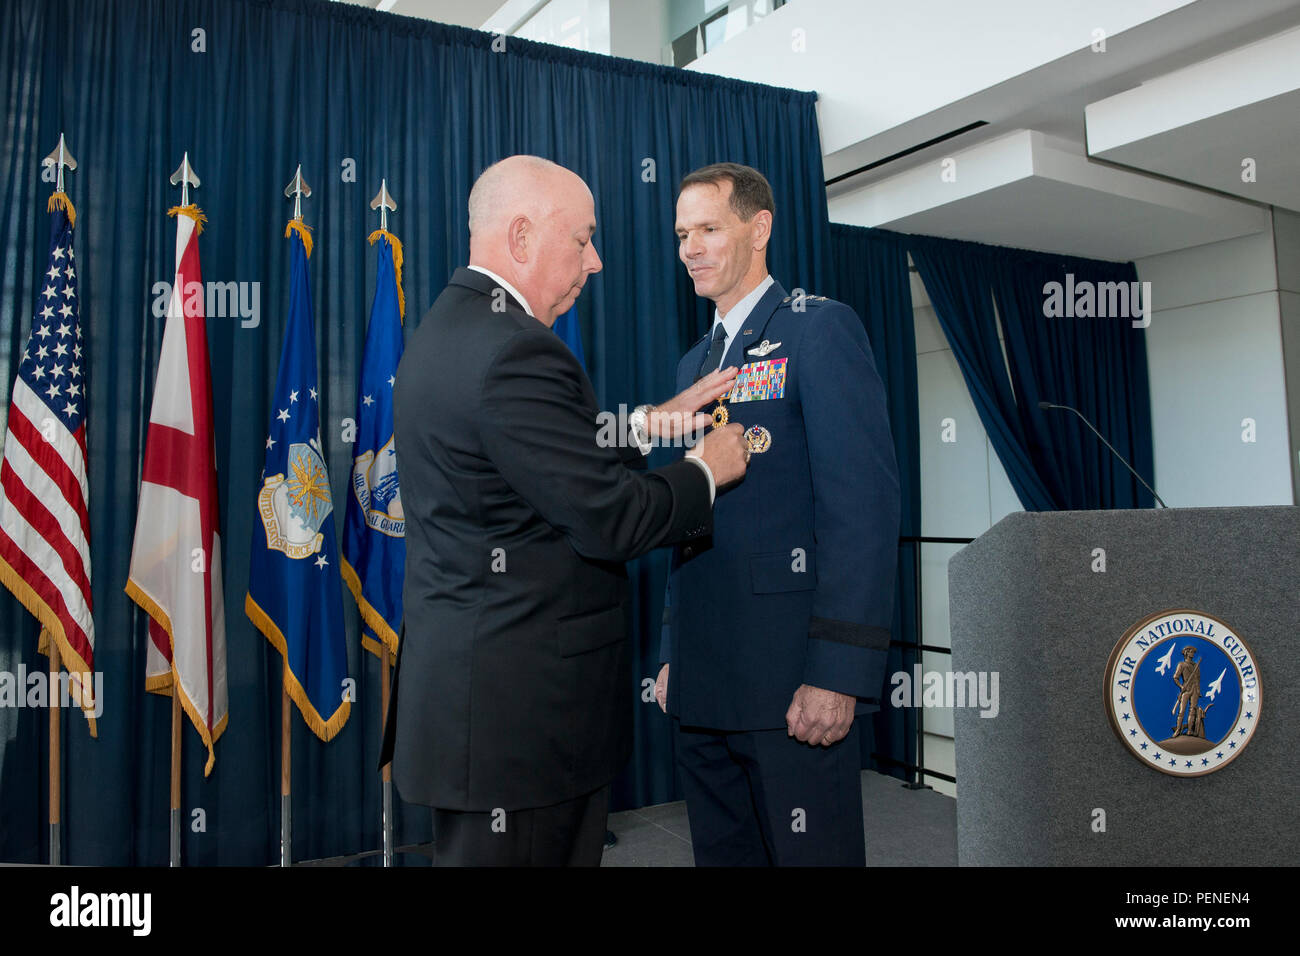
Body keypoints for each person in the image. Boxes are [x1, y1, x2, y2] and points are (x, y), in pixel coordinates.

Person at [380, 155, 749, 866]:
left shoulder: (448, 331)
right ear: (522, 238)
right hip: (522, 729)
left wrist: (643, 425)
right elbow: (609, 519)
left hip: (479, 714)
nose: (597, 261)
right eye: (582, 239)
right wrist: (708, 468)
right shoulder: (516, 350)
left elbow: (536, 469)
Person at [655, 163, 901, 866]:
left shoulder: (818, 330)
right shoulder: (690, 367)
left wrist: (839, 673)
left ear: (758, 228)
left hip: (791, 680)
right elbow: (686, 522)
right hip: (704, 676)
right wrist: (674, 651)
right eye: (681, 234)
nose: (690, 248)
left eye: (708, 228)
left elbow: (862, 508)